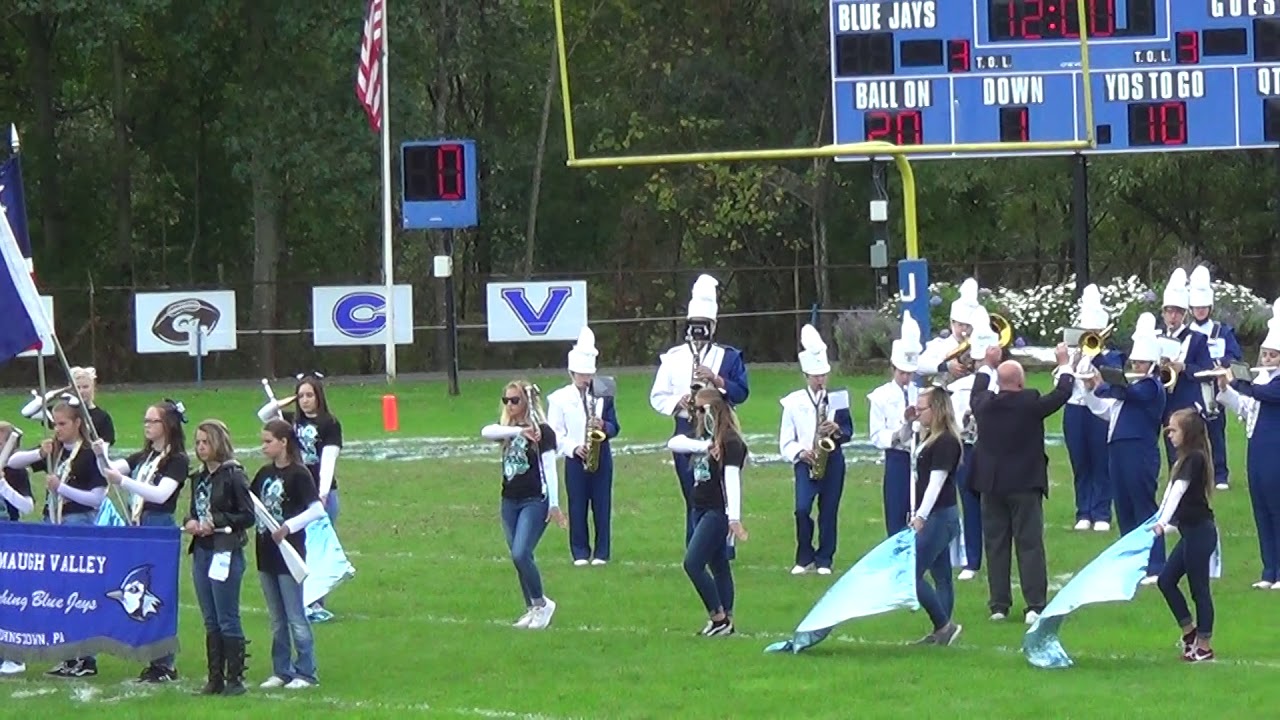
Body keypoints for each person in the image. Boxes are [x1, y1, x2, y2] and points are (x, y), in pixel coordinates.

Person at [969, 344, 1074, 624]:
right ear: (1020, 382)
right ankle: (1035, 605)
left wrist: (987, 363)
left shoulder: (984, 405)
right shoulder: (1029, 403)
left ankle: (999, 606)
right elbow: (1063, 393)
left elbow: (976, 391)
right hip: (1025, 484)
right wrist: (1064, 363)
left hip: (992, 485)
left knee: (995, 545)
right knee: (1029, 544)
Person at [6, 399, 108, 677]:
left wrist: (62, 488)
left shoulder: (89, 455)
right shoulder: (56, 451)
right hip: (53, 522)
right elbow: (13, 461)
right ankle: (68, 654)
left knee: (79, 591)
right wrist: (39, 451)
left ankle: (86, 657)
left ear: (78, 424)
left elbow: (97, 499)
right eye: (55, 424)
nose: (58, 429)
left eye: (63, 424)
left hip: (77, 522)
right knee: (59, 592)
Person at [95, 399, 190, 683]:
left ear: (168, 426)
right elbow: (110, 471)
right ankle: (154, 659)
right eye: (145, 421)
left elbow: (160, 495)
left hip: (159, 527)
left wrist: (122, 482)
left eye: (153, 421)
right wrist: (102, 454)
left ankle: (165, 662)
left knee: (158, 594)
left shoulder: (177, 460)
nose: (147, 426)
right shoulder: (144, 457)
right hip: (139, 527)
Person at [650, 274, 749, 543]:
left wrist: (716, 380)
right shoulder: (674, 358)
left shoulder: (727, 356)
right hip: (686, 426)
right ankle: (694, 544)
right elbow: (657, 396)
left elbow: (741, 392)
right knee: (692, 491)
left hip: (719, 428)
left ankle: (723, 545)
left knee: (719, 491)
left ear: (713, 326)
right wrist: (677, 402)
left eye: (704, 325)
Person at [1083, 313, 1169, 585]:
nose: (1136, 365)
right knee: (1124, 506)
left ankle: (1156, 565)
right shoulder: (1130, 387)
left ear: (1152, 364)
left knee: (1143, 506)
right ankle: (1131, 563)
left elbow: (1128, 393)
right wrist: (1097, 387)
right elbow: (1111, 404)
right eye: (1134, 362)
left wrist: (1104, 384)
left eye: (1141, 362)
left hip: (1140, 452)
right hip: (1119, 450)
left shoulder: (1152, 387)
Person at [257, 373, 342, 623]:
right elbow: (264, 415)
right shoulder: (290, 422)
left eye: (309, 395)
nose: (305, 401)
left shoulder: (330, 424)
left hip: (319, 493)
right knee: (295, 547)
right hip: (294, 492)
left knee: (315, 550)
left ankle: (316, 602)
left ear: (319, 397)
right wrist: (284, 402)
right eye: (301, 395)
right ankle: (298, 599)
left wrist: (323, 492)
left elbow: (329, 459)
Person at [481, 382, 566, 630]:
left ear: (527, 401)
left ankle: (542, 604)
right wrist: (518, 432)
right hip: (509, 499)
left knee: (521, 552)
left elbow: (549, 467)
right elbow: (486, 431)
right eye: (506, 400)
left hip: (534, 499)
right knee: (518, 558)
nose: (510, 405)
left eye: (515, 400)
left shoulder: (544, 432)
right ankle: (531, 608)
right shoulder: (506, 429)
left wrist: (554, 504)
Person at [917, 278, 984, 581]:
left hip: (970, 431)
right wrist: (947, 367)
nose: (964, 331)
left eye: (968, 326)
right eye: (959, 325)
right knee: (945, 493)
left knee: (970, 495)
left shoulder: (979, 344)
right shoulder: (940, 347)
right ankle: (953, 553)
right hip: (946, 427)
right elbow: (921, 364)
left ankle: (972, 554)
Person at [252, 419, 326, 689]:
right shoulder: (263, 474)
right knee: (276, 618)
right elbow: (252, 504)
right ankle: (281, 669)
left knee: (295, 615)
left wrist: (288, 526)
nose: (264, 446)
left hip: (290, 553)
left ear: (283, 442)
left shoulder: (299, 474)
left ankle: (306, 671)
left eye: (268, 441)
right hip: (265, 553)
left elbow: (316, 509)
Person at [667, 387, 748, 637]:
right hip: (699, 507)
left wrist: (734, 518)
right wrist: (705, 445)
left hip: (717, 511)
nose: (695, 414)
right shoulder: (703, 437)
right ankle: (726, 622)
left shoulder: (732, 442)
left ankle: (719, 617)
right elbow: (674, 442)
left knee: (692, 563)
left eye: (699, 409)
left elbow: (732, 479)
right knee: (719, 564)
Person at [185, 419, 256, 696]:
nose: (201, 448)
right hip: (202, 550)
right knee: (210, 618)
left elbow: (247, 515)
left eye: (206, 442)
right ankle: (214, 677)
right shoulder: (198, 477)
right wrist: (191, 521)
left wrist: (216, 520)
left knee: (227, 616)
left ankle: (235, 678)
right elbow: (193, 509)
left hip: (225, 549)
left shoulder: (234, 475)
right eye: (198, 443)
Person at [779, 324, 853, 575]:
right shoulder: (793, 402)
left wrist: (837, 430)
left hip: (833, 461)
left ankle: (825, 559)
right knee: (801, 509)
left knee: (829, 511)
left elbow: (849, 431)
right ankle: (804, 555)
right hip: (806, 461)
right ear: (806, 376)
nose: (821, 380)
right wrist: (801, 453)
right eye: (816, 376)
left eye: (824, 375)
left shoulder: (838, 397)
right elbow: (786, 440)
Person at [547, 327, 620, 566]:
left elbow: (615, 426)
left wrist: (604, 426)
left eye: (588, 375)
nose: (585, 380)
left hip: (602, 456)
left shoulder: (604, 394)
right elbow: (555, 432)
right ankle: (579, 552)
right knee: (577, 506)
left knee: (602, 505)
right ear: (571, 373)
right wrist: (573, 448)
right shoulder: (559, 399)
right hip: (576, 458)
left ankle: (602, 552)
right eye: (580, 375)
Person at [1223, 300, 1280, 589]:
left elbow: (1264, 395)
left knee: (1277, 508)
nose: (1267, 359)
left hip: (1276, 453)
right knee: (1261, 509)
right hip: (1257, 452)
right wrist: (1225, 388)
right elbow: (1246, 407)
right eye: (1265, 354)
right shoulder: (1263, 381)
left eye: (1272, 355)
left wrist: (1241, 381)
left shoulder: (1273, 384)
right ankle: (1269, 570)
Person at [1154, 408, 1218, 663]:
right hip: (1190, 532)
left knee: (1199, 589)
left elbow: (1178, 491)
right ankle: (1189, 632)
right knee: (1166, 580)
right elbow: (1171, 491)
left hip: (1200, 533)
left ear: (1188, 433)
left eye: (1174, 430)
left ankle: (1204, 644)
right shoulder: (1185, 459)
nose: (1169, 434)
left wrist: (1162, 523)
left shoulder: (1195, 459)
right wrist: (1159, 520)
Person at [1064, 284, 1125, 532]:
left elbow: (1112, 376)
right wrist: (1074, 360)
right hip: (1075, 408)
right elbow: (1062, 378)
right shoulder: (1072, 352)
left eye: (1095, 331)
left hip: (1099, 409)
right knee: (1080, 462)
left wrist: (1096, 354)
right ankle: (1083, 511)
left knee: (1101, 462)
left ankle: (1101, 512)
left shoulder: (1110, 355)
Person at [909, 385, 964, 647]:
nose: (918, 412)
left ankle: (944, 624)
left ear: (937, 410)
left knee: (912, 572)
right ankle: (942, 630)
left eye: (922, 409)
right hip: (938, 515)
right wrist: (910, 422)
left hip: (940, 515)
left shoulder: (946, 442)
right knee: (941, 575)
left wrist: (921, 516)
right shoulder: (929, 436)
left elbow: (936, 482)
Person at [1187, 265, 1244, 490]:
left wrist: (1222, 365)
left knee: (1216, 431)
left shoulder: (1223, 331)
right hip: (1193, 387)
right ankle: (1194, 473)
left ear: (1210, 307)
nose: (1200, 311)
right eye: (1196, 307)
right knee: (1192, 431)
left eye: (1204, 307)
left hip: (1216, 387)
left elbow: (1234, 355)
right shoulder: (1186, 332)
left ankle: (1220, 474)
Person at [869, 311, 923, 536]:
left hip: (920, 456)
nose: (906, 378)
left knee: (920, 511)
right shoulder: (880, 396)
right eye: (902, 373)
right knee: (896, 510)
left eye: (910, 374)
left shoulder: (920, 394)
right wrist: (897, 435)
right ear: (893, 369)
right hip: (897, 457)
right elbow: (876, 435)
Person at [1155, 268, 1213, 468]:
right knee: (1171, 451)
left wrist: (1184, 367)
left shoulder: (1196, 339)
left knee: (1189, 453)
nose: (1173, 317)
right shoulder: (1155, 338)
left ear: (1185, 315)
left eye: (1178, 312)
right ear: (1163, 313)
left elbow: (1207, 371)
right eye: (1169, 311)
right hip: (1163, 402)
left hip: (1186, 402)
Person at [0, 421, 34, 677]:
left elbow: (27, 507)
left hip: (9, 539)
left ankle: (14, 656)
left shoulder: (16, 471)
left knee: (8, 599)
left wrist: (3, 487)